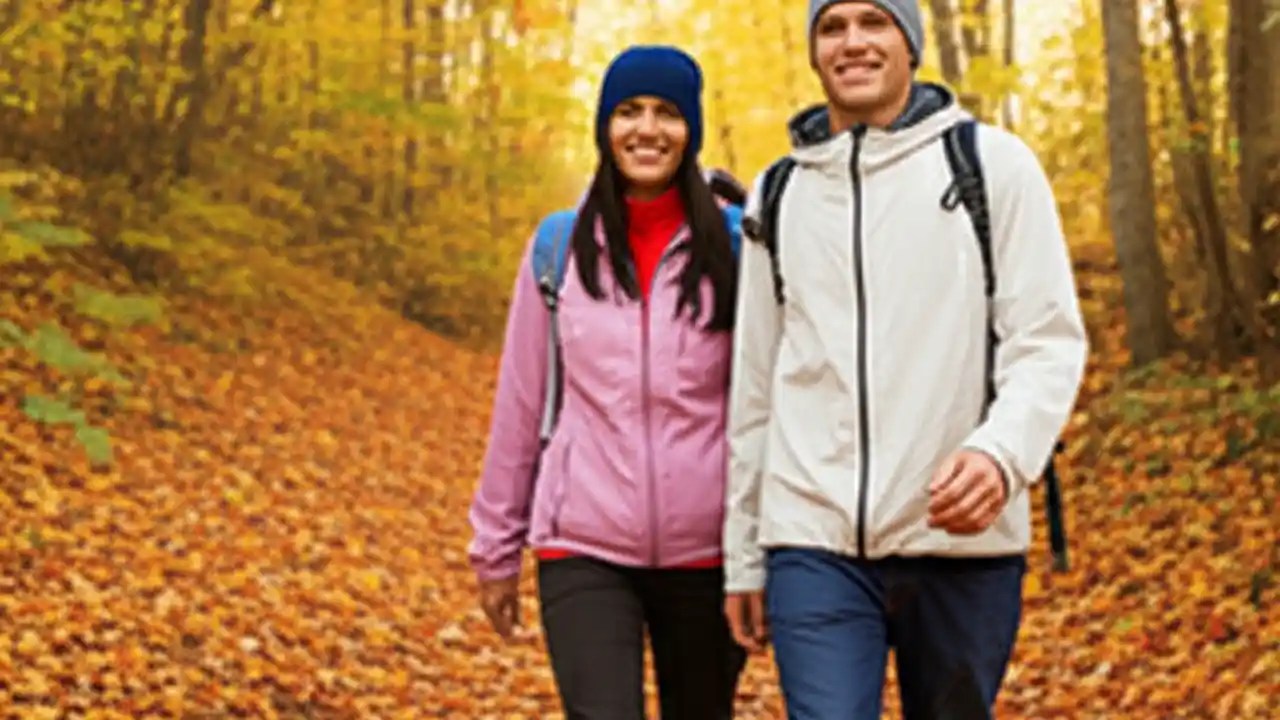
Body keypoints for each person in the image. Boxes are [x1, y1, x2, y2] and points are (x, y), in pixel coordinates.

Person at [721, 1, 1089, 719]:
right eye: (832, 27)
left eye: (874, 22)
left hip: (961, 543)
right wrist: (744, 554)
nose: (852, 42)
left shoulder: (993, 166)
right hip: (813, 540)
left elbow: (1046, 340)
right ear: (814, 50)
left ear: (911, 43)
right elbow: (756, 384)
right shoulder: (781, 191)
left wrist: (1001, 456)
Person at [467, 44, 748, 720]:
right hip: (583, 545)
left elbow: (770, 402)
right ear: (605, 127)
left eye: (667, 113)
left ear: (691, 131)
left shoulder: (740, 246)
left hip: (710, 551)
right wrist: (495, 549)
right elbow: (522, 403)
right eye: (629, 112)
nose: (647, 129)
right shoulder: (559, 248)